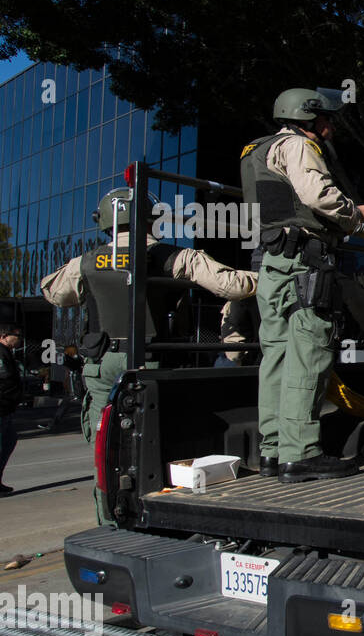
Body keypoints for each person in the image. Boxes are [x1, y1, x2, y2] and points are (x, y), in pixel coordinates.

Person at [41, 189, 258, 520]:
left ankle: (110, 522)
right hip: (150, 363)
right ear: (151, 217)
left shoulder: (85, 262)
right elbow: (232, 286)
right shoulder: (172, 255)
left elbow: (53, 292)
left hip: (102, 365)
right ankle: (157, 515)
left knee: (106, 453)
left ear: (105, 222)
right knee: (158, 446)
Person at [240, 87, 364, 483]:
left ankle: (274, 450)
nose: (330, 129)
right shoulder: (299, 147)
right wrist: (357, 216)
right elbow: (318, 194)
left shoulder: (256, 152)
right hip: (305, 262)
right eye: (326, 121)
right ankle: (301, 454)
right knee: (310, 351)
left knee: (277, 356)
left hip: (273, 263)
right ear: (308, 119)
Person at [0, 324, 21, 496]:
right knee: (4, 443)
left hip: (6, 407)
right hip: (2, 406)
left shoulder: (6, 352)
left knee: (9, 441)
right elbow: (5, 378)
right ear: (5, 336)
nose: (19, 339)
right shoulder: (1, 352)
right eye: (16, 335)